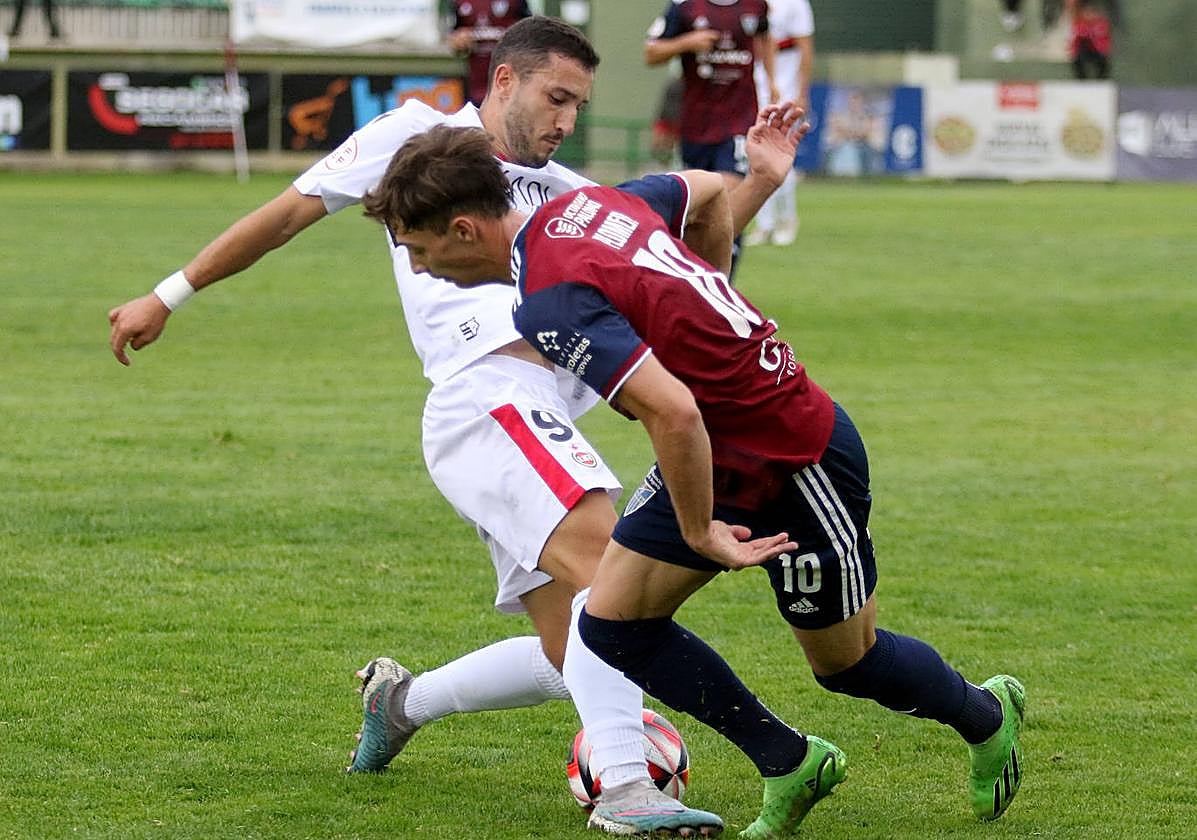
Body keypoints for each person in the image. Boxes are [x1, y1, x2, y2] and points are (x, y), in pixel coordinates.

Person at [107, 15, 785, 837]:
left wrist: (760, 183)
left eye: (577, 105)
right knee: (612, 587)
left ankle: (402, 702)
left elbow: (679, 264)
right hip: (488, 397)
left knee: (569, 646)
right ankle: (624, 786)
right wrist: (167, 294)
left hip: (533, 419)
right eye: (556, 98)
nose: (566, 119)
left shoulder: (564, 190)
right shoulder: (420, 139)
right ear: (504, 81)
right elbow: (290, 213)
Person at [361, 117, 1028, 838]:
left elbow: (673, 411)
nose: (422, 270)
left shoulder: (545, 300)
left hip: (792, 458)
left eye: (419, 252)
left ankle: (984, 714)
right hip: (720, 449)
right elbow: (709, 194)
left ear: (463, 230)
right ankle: (788, 761)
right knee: (610, 624)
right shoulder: (590, 207)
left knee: (845, 664)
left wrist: (695, 529)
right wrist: (752, 206)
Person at [644, 0, 775, 279]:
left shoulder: (756, 5)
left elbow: (765, 39)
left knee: (728, 198)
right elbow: (651, 52)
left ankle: (722, 285)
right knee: (703, 210)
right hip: (697, 126)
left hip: (739, 121)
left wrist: (773, 82)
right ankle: (702, 280)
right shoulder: (684, 7)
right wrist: (687, 42)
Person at [745, 0, 813, 247]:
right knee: (755, 155)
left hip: (785, 87)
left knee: (782, 153)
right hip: (752, 83)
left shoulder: (795, 3)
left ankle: (787, 218)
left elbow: (806, 47)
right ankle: (764, 224)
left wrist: (802, 92)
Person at [447, 0, 532, 106]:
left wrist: (514, 37)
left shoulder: (515, 3)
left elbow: (529, 33)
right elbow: (453, 37)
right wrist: (459, 39)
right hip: (474, 83)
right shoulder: (459, 3)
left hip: (509, 83)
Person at [1067, 0, 1113, 80]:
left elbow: (1104, 41)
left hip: (1097, 50)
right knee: (1078, 57)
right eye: (1087, 12)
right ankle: (1082, 80)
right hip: (1084, 51)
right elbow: (1075, 40)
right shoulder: (1079, 23)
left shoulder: (1101, 23)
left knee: (1103, 61)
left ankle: (1101, 79)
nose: (1090, 15)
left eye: (1092, 12)